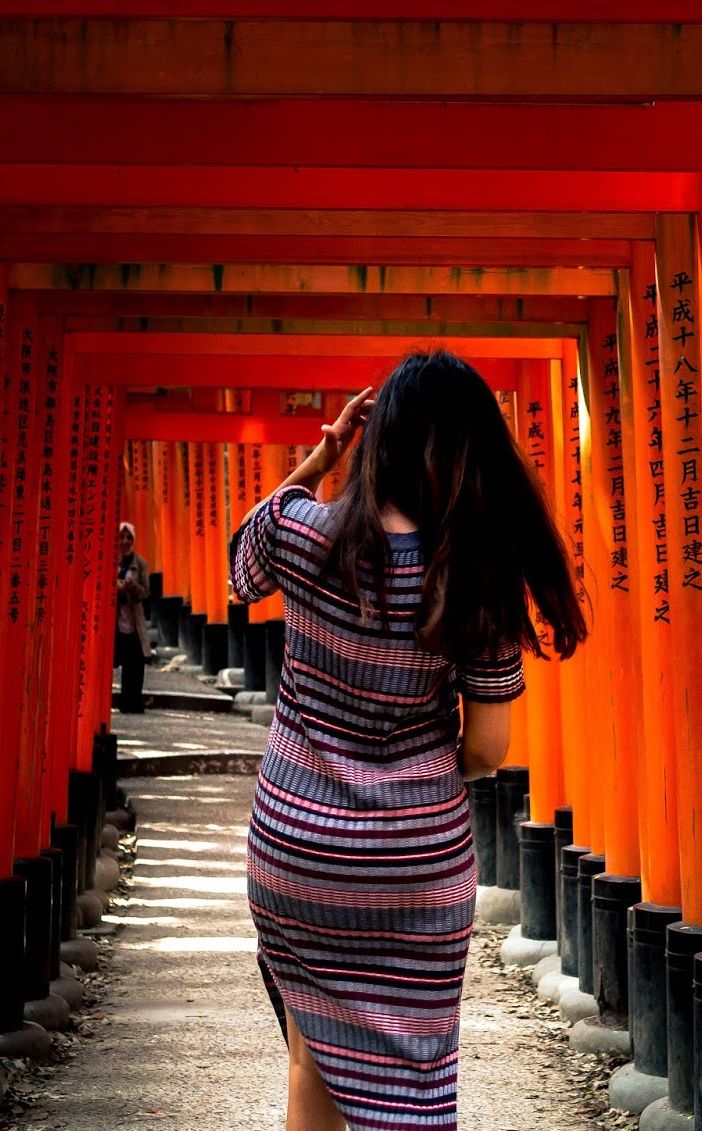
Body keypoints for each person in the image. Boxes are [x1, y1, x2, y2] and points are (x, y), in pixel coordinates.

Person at [229, 351, 587, 1131]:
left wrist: (323, 454)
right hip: (414, 864)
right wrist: (418, 771)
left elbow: (241, 568)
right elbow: (488, 749)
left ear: (377, 438)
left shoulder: (301, 534)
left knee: (310, 1056)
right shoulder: (473, 577)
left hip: (297, 847)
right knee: (413, 1080)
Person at [115, 522, 150, 714]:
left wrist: (132, 587)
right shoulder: (110, 561)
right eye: (121, 537)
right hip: (115, 622)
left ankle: (133, 702)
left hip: (134, 621)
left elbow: (146, 592)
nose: (125, 541)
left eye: (129, 538)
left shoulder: (141, 563)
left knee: (134, 665)